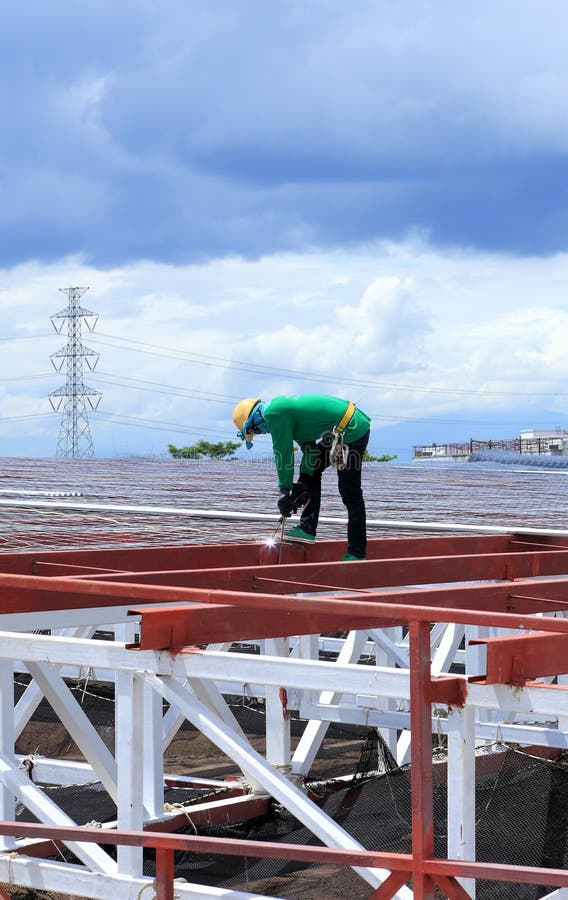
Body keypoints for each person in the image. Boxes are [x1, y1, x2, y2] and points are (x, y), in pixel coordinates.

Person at [232, 394, 371, 560]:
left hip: (352, 428)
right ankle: (307, 529)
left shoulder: (273, 413)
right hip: (339, 429)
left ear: (254, 419)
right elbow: (311, 453)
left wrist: (284, 491)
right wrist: (303, 482)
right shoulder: (285, 414)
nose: (260, 433)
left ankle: (357, 553)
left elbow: (283, 453)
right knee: (312, 472)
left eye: (254, 430)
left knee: (350, 492)